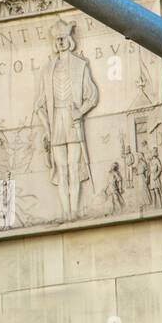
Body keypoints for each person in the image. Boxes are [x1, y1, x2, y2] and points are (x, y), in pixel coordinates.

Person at [33, 20, 100, 221]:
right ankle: (65, 212)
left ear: (69, 39)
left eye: (63, 37)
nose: (61, 41)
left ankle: (74, 210)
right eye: (57, 38)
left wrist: (80, 112)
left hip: (72, 121)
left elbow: (92, 96)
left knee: (73, 166)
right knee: (61, 169)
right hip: (56, 123)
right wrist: (46, 127)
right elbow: (39, 105)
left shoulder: (80, 65)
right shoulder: (47, 70)